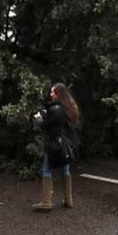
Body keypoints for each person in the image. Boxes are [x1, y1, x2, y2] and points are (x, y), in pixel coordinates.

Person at [32, 83, 80, 212]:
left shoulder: (56, 109)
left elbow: (46, 125)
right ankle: (68, 200)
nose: (50, 94)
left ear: (58, 94)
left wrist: (38, 119)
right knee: (65, 170)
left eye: (53, 92)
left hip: (54, 145)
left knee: (46, 169)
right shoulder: (69, 107)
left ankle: (46, 202)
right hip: (66, 145)